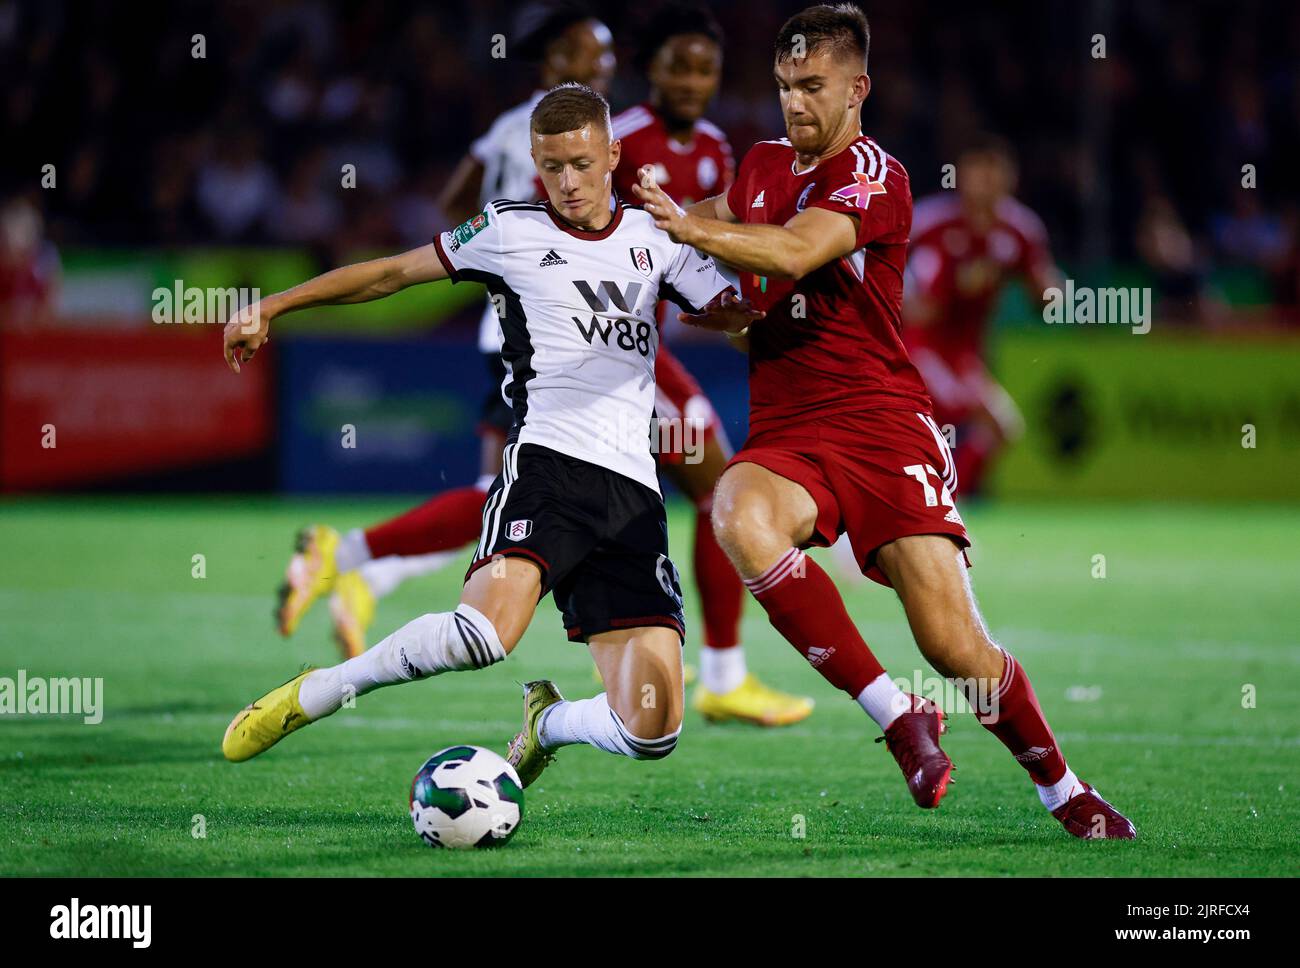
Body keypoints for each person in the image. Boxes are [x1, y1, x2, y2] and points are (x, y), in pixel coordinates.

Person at [634, 3, 1135, 839]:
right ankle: (900, 716)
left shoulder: (877, 175)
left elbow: (790, 251)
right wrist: (656, 228)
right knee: (736, 513)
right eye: (786, 85)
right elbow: (717, 244)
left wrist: (689, 226)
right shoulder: (760, 165)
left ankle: (1063, 789)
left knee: (955, 650)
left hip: (883, 424)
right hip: (789, 427)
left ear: (858, 87)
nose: (796, 104)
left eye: (814, 87)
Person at [220, 84, 761, 786]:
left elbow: (737, 319)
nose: (567, 181)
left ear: (614, 155)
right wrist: (276, 304)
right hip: (546, 465)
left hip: (632, 495)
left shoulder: (656, 236)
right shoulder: (508, 230)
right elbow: (390, 274)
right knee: (484, 636)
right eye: (551, 165)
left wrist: (774, 301)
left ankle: (551, 724)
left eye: (581, 163)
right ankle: (318, 690)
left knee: (652, 730)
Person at [275, 4, 616, 658]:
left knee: (509, 497)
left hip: (518, 330)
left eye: (606, 58)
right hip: (540, 340)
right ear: (551, 64)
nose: (601, 67)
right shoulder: (576, 131)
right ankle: (351, 554)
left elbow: (457, 198)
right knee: (531, 494)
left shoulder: (509, 128)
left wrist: (486, 246)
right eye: (585, 55)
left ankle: (362, 572)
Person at [609, 1, 811, 725]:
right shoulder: (618, 139)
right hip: (607, 348)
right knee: (712, 487)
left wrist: (740, 301)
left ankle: (713, 671)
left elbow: (711, 242)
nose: (694, 81)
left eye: (706, 68)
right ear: (650, 68)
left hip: (646, 349)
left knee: (693, 493)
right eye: (679, 65)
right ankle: (717, 674)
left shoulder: (720, 146)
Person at [902, 136, 1061, 496]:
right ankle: (929, 512)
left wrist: (1055, 294)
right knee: (936, 433)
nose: (986, 180)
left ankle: (943, 507)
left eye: (995, 170)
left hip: (965, 355)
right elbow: (909, 299)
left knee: (1003, 428)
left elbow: (1045, 293)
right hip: (921, 347)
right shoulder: (931, 224)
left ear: (1010, 177)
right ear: (960, 175)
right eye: (978, 170)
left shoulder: (1020, 229)